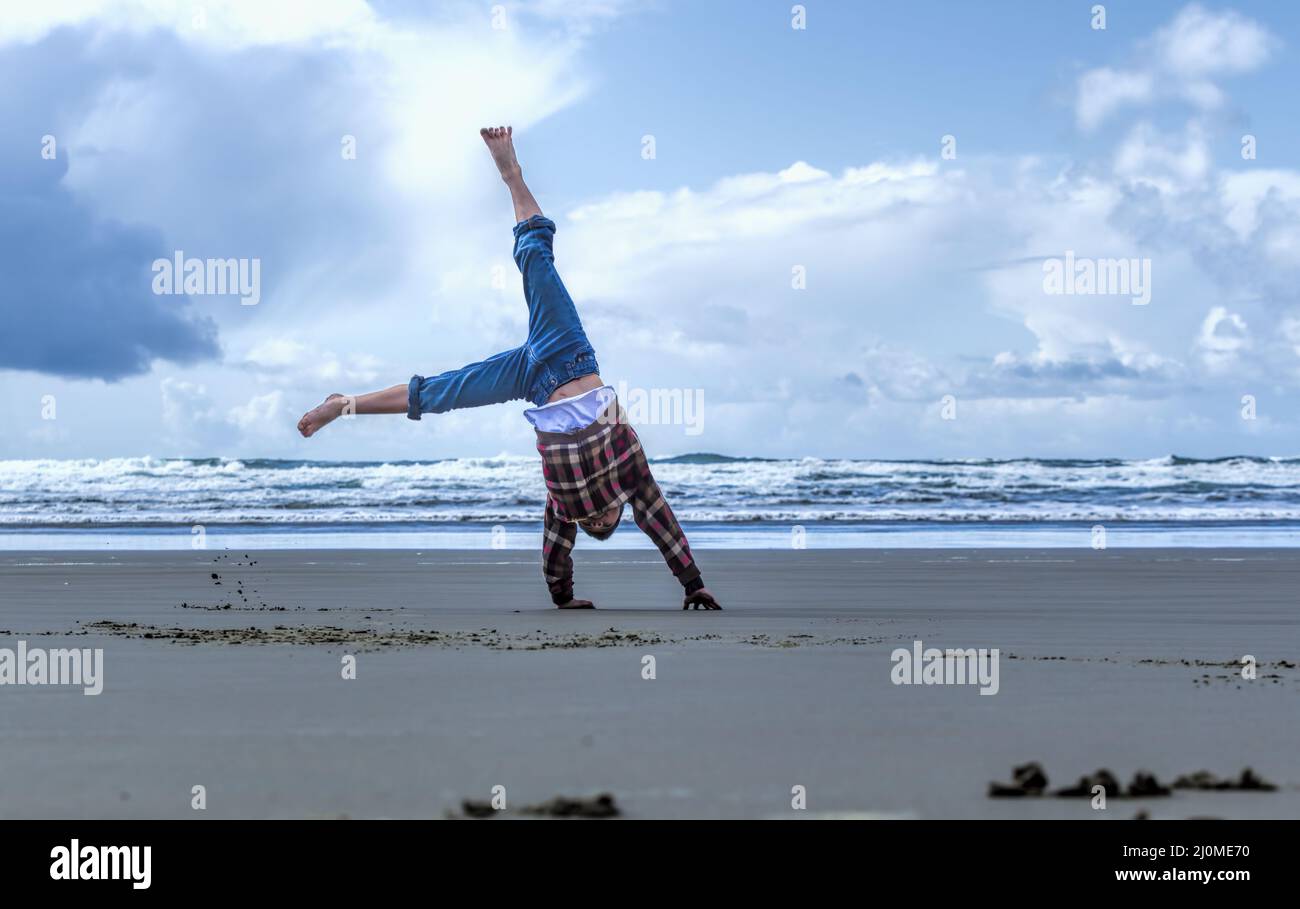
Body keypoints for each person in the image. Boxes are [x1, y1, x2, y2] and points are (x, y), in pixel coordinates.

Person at [298, 127, 721, 611]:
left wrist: (562, 597)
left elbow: (555, 554)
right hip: (567, 352)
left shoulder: (565, 510)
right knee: (535, 256)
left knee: (440, 393)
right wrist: (693, 583)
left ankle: (345, 404)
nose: (600, 520)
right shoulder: (632, 483)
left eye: (595, 526)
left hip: (532, 381)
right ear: (618, 511)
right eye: (608, 522)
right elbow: (662, 524)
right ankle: (512, 175)